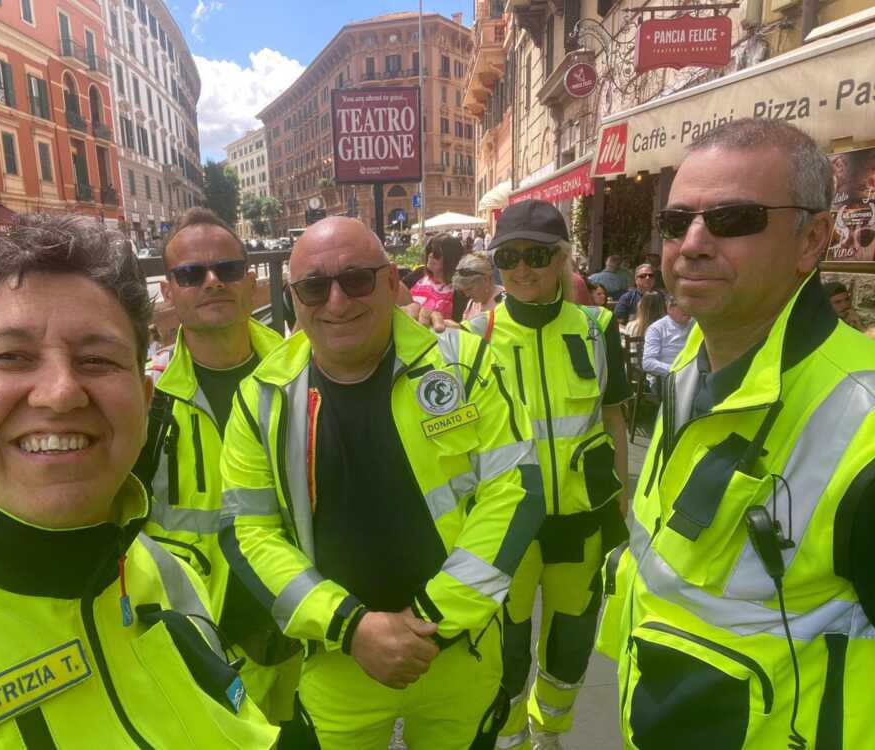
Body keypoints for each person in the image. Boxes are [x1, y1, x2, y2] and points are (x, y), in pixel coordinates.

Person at [0, 215, 278, 749]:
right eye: (10, 357)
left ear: (144, 401)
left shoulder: (166, 575)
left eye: (96, 359)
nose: (62, 392)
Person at [598, 118, 875, 749]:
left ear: (812, 242)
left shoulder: (865, 423)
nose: (692, 243)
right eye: (676, 223)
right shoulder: (697, 359)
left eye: (733, 219)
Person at [219, 216, 543, 750]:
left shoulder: (464, 365)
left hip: (459, 650)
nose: (338, 301)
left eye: (358, 279)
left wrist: (430, 619)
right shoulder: (261, 398)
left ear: (393, 282)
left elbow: (515, 492)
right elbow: (249, 532)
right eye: (314, 287)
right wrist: (352, 627)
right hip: (339, 658)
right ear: (292, 298)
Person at [462, 200, 632, 750]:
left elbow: (613, 418)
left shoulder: (596, 327)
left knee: (572, 641)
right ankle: (507, 738)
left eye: (536, 254)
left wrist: (621, 499)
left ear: (561, 259)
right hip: (505, 525)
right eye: (508, 256)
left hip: (579, 520)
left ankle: (549, 731)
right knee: (506, 646)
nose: (521, 268)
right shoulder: (475, 335)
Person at [135, 207, 300, 725]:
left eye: (227, 270)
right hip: (203, 639)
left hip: (305, 623)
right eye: (191, 274)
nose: (212, 282)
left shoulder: (305, 371)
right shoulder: (147, 396)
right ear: (169, 291)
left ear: (250, 282)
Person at [406, 234, 466, 322]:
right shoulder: (418, 273)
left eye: (436, 253)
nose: (430, 255)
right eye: (429, 250)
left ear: (450, 258)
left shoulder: (460, 291)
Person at [641, 294, 693, 394]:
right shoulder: (657, 329)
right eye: (684, 306)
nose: (688, 310)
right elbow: (648, 363)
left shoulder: (696, 324)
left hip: (692, 377)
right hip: (666, 379)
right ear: (670, 308)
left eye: (690, 306)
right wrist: (675, 371)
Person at [451, 251, 504, 320]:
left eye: (469, 289)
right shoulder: (472, 303)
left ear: (486, 280)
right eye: (463, 290)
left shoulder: (505, 302)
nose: (466, 294)